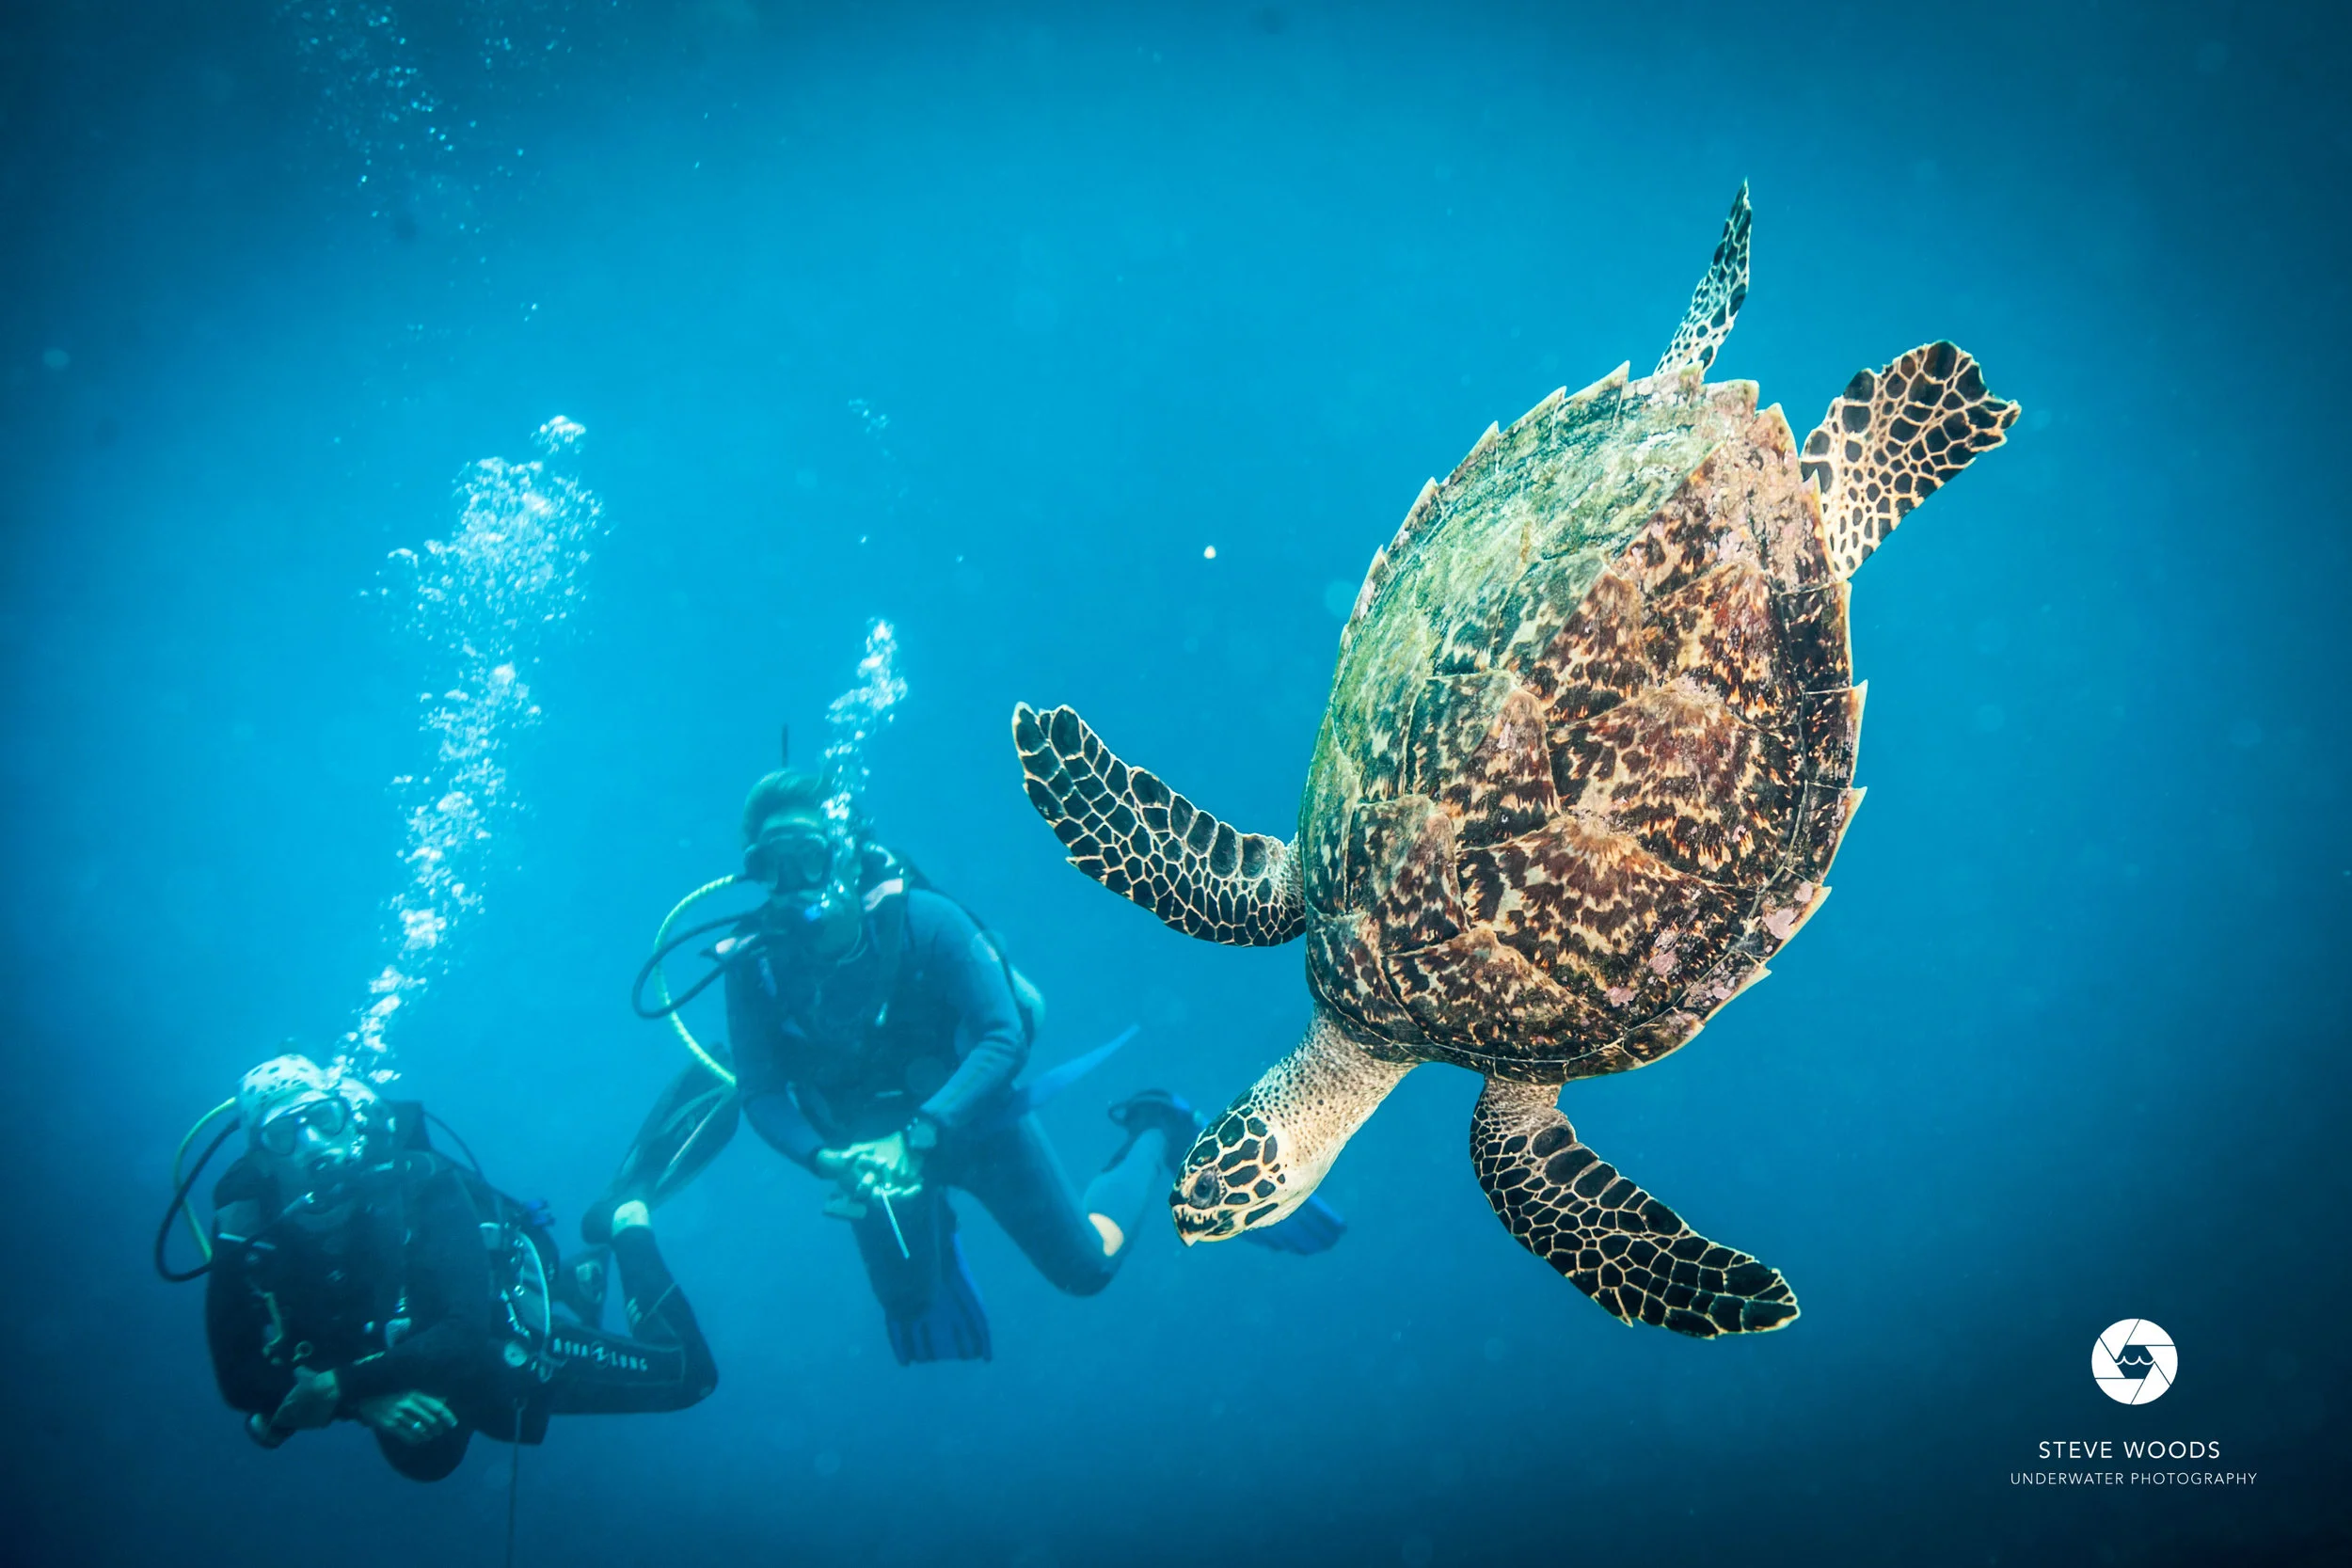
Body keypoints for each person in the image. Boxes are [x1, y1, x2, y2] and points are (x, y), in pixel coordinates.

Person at [596, 768, 1223, 1365]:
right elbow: (760, 1093)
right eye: (771, 864)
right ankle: (933, 1223)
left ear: (845, 851)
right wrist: (825, 1157)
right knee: (908, 1302)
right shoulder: (752, 964)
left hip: (975, 1128)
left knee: (1087, 1269)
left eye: (807, 856)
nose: (791, 881)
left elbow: (1003, 1036)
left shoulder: (927, 921)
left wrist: (919, 1133)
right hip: (864, 1156)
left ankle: (1156, 1127)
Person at [203, 1054, 716, 1481]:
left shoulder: (418, 1180)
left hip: (486, 1323)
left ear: (348, 1117)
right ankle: (578, 1283)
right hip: (396, 1350)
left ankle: (625, 1215)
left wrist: (339, 1387)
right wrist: (362, 1398)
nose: (313, 1142)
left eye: (323, 1118)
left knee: (688, 1377)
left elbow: (465, 1330)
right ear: (262, 1162)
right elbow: (237, 1378)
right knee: (427, 1461)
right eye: (283, 1135)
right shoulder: (245, 1228)